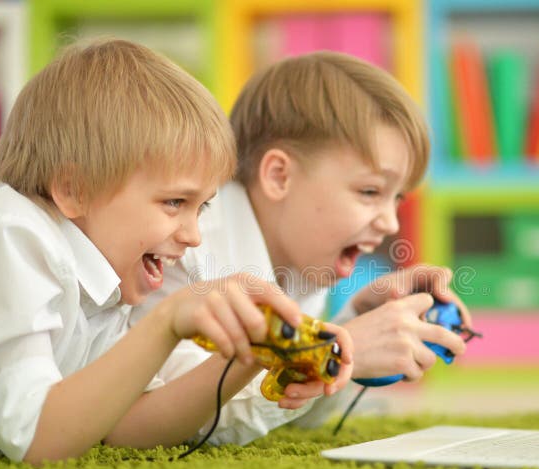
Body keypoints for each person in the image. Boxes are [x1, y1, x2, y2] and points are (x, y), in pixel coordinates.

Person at [0, 40, 352, 465]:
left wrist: (254, 355)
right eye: (175, 202)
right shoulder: (5, 230)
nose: (194, 236)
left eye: (202, 207)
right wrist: (166, 321)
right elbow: (37, 440)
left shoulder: (108, 284)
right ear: (74, 190)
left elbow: (126, 427)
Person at [130, 51, 471, 445]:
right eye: (370, 191)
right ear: (279, 176)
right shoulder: (186, 244)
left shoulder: (301, 256)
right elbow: (179, 420)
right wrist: (338, 349)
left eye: (397, 199)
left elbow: (291, 417)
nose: (391, 223)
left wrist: (351, 324)